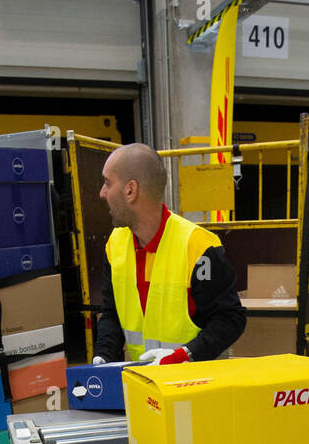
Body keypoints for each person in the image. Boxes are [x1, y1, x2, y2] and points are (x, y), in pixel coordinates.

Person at [92, 143, 246, 366]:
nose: (102, 193)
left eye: (107, 183)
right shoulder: (114, 245)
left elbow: (230, 319)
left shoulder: (199, 247)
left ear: (130, 190)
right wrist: (104, 357)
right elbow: (112, 314)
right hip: (148, 385)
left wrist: (184, 355)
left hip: (198, 383)